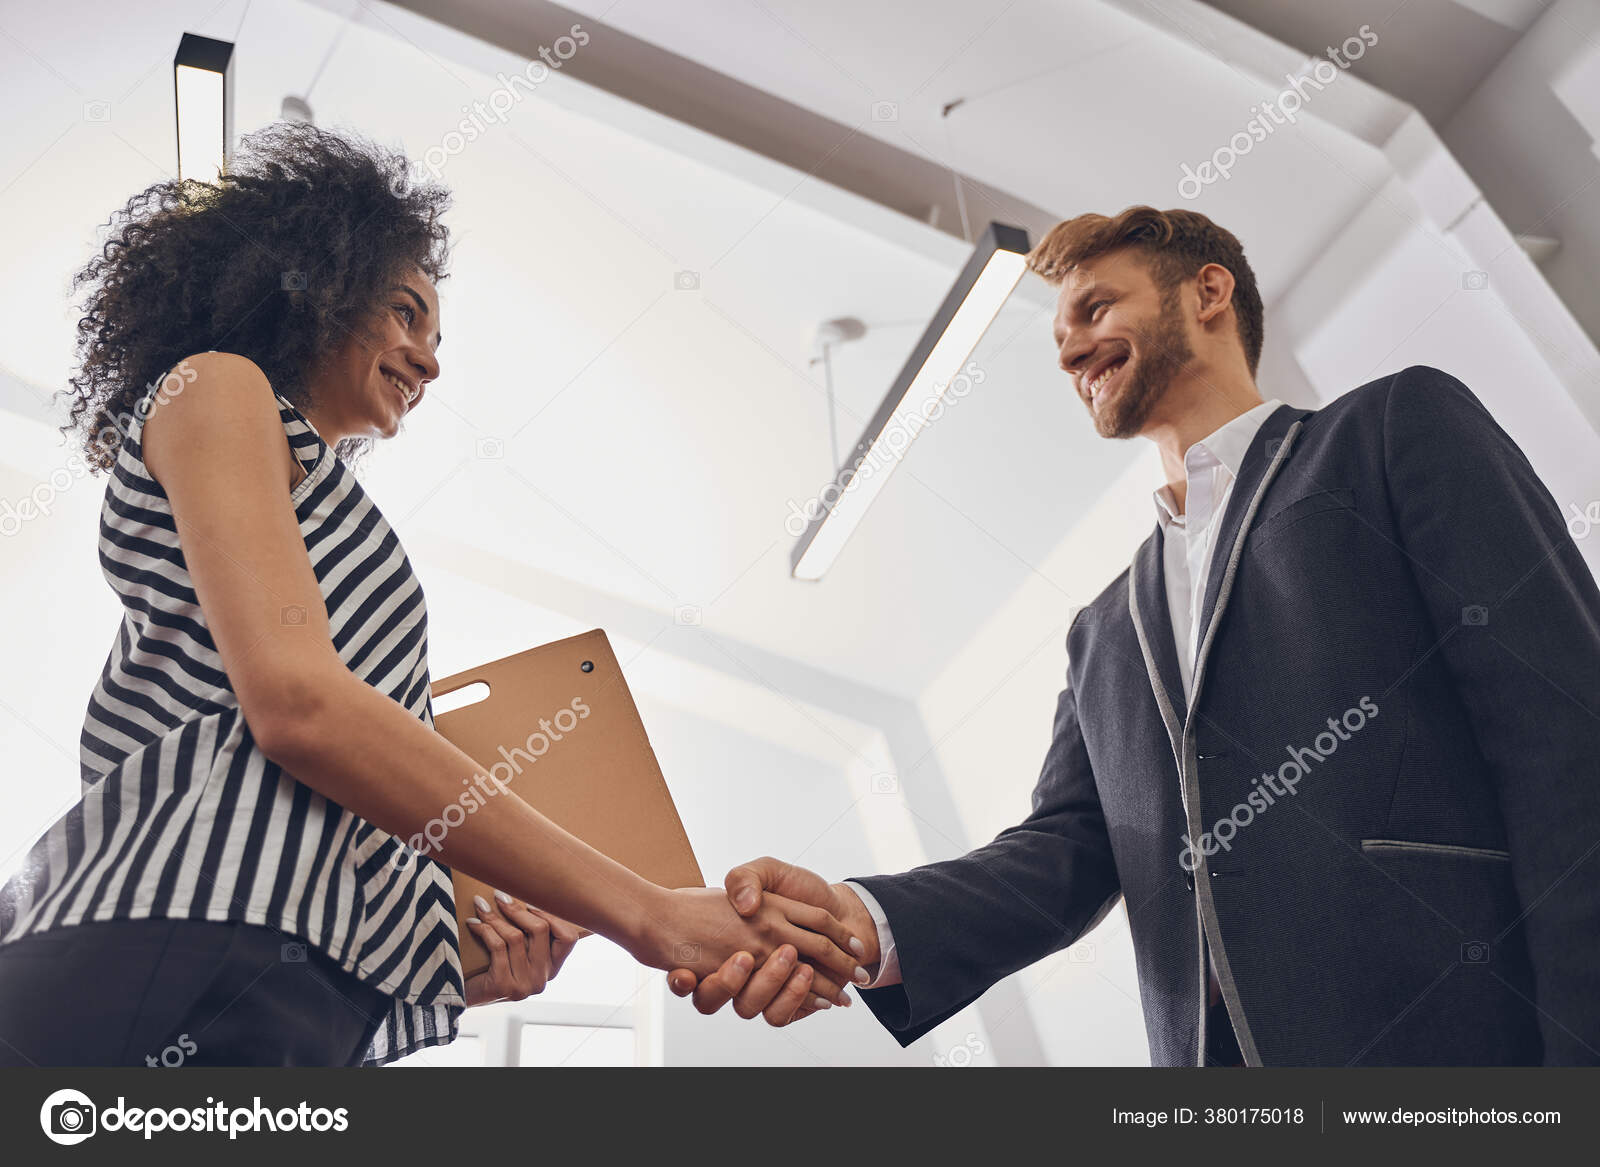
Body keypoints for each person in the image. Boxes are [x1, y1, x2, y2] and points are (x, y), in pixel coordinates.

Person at [0, 122, 864, 1068]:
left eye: (437, 334)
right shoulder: (218, 388)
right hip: (175, 923)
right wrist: (649, 913)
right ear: (316, 283)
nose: (430, 358)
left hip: (298, 986)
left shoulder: (321, 489)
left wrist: (456, 960)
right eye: (406, 312)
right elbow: (300, 709)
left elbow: (326, 786)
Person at [669, 206, 1600, 1066]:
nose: (1071, 349)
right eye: (1059, 334)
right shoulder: (1103, 631)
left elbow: (1564, 731)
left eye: (1094, 306)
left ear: (1208, 291)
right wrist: (851, 918)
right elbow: (1063, 857)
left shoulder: (1392, 430)